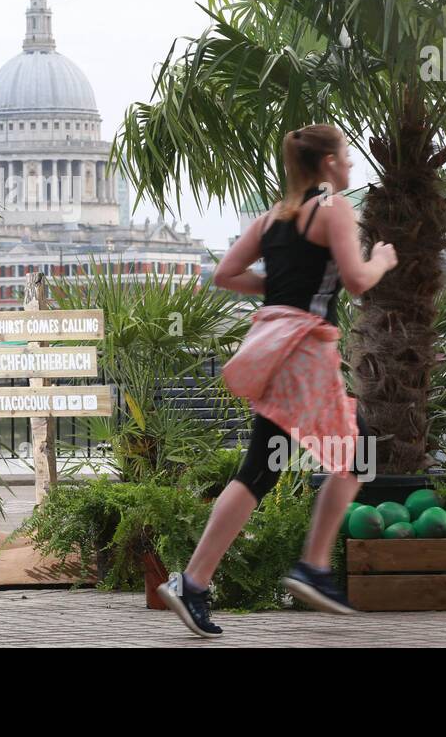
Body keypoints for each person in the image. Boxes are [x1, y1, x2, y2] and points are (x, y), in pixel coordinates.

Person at [158, 124, 397, 637]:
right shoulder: (334, 207)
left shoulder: (272, 217)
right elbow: (356, 281)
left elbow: (224, 274)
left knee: (260, 467)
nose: (351, 165)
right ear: (329, 164)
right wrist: (381, 260)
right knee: (354, 457)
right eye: (347, 157)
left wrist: (280, 285)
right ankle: (312, 566)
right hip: (306, 349)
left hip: (273, 342)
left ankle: (194, 582)